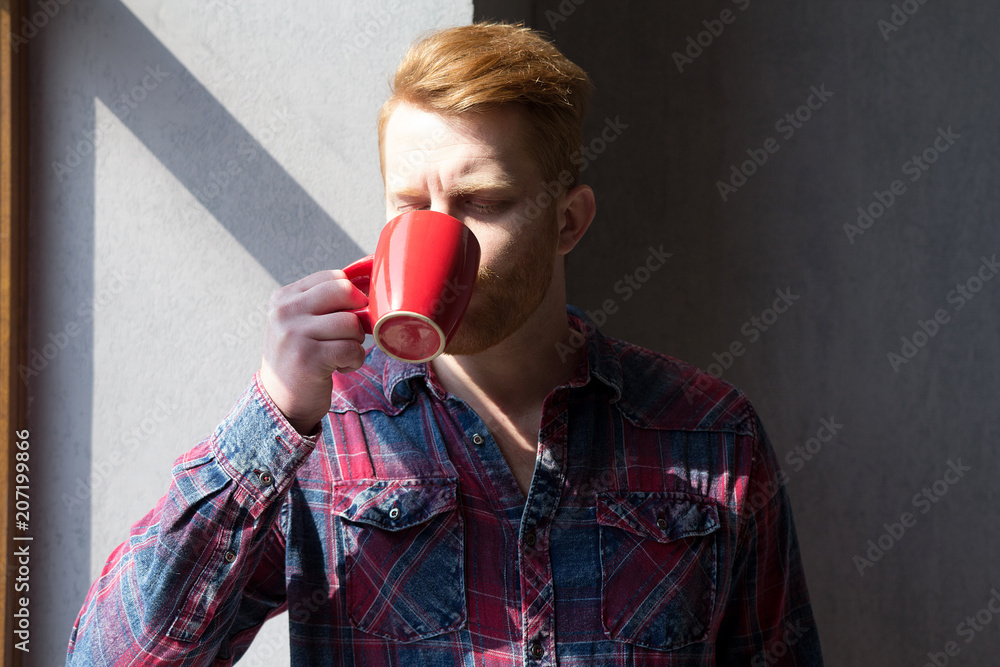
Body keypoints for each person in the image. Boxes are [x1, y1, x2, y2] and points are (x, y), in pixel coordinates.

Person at [67, 22, 823, 666]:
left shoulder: (712, 435)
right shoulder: (322, 435)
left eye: (479, 203)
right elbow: (110, 655)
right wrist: (271, 414)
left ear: (568, 222)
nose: (441, 232)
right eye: (411, 205)